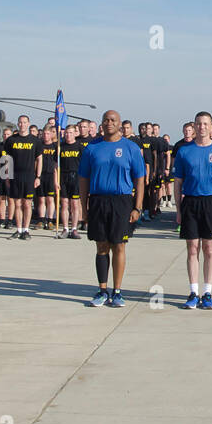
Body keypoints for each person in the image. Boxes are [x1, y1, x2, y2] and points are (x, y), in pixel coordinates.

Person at [79, 110, 146, 307]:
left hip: (122, 201)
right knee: (101, 246)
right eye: (105, 120)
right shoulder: (92, 148)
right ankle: (102, 289)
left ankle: (117, 291)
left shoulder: (131, 148)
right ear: (101, 124)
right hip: (99, 200)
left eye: (113, 120)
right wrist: (84, 208)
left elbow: (140, 179)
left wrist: (138, 207)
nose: (109, 123)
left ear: (120, 124)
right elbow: (83, 178)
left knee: (119, 245)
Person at [173, 111, 212, 308]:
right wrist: (179, 209)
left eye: (205, 124)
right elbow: (177, 183)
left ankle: (208, 292)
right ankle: (193, 292)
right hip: (190, 202)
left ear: (211, 127)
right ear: (194, 126)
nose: (202, 127)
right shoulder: (184, 151)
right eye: (198, 124)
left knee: (209, 249)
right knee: (192, 249)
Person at [3, 117, 41, 239]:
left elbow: (39, 159)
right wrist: (6, 175)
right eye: (20, 122)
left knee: (27, 204)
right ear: (17, 124)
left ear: (28, 124)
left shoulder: (35, 140)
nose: (22, 124)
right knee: (17, 203)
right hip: (15, 176)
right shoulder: (11, 140)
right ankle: (18, 229)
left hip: (29, 176)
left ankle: (26, 230)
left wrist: (38, 176)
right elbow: (6, 159)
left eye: (24, 122)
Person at [56, 125, 84, 239]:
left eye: (71, 133)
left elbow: (85, 165)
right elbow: (55, 166)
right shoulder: (60, 147)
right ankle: (65, 229)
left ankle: (74, 229)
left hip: (76, 176)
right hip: (63, 177)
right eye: (66, 133)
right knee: (64, 203)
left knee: (75, 204)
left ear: (75, 134)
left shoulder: (80, 147)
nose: (68, 135)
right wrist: (56, 181)